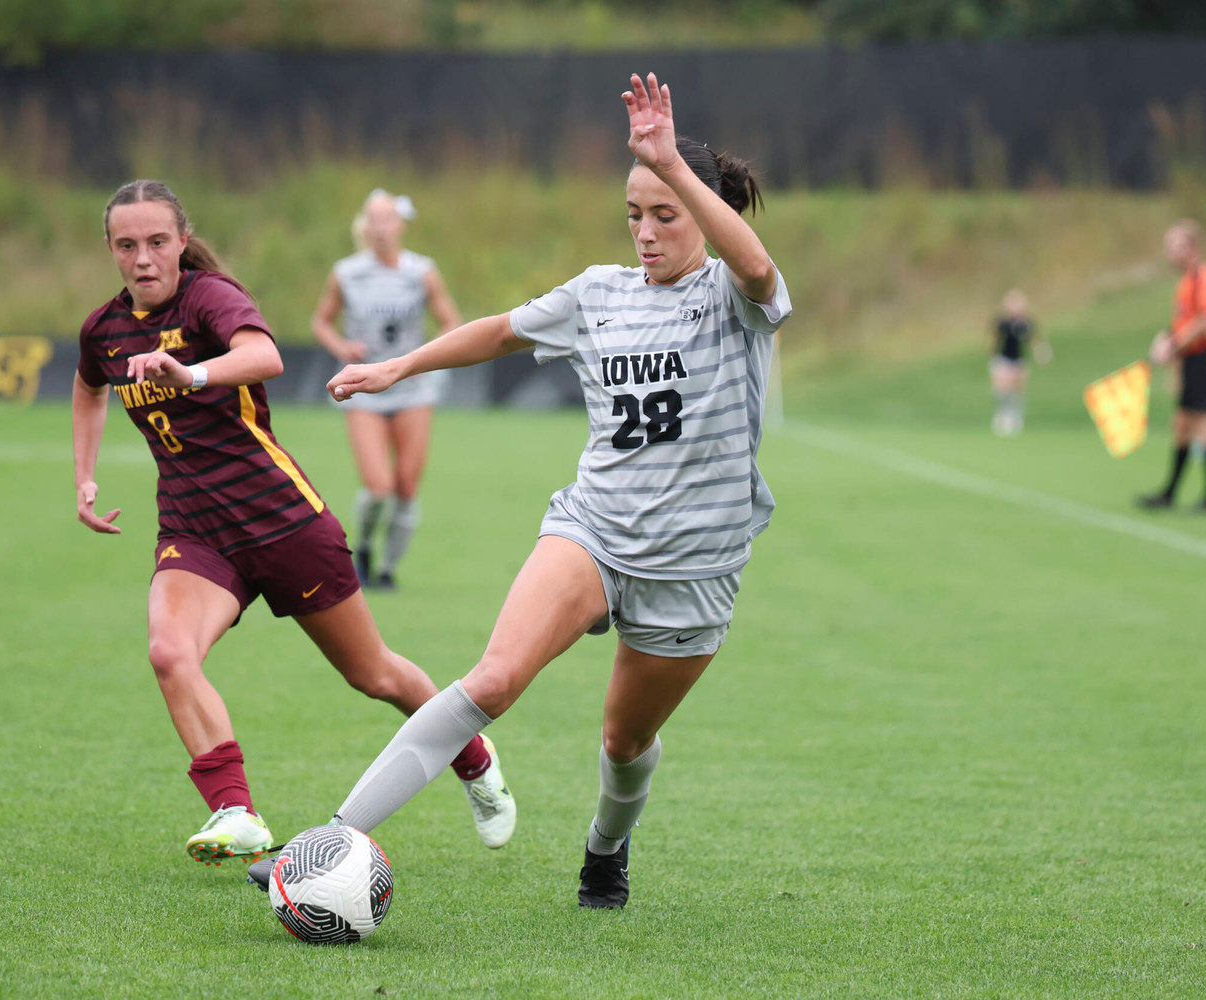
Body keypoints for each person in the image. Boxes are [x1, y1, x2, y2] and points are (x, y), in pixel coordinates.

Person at [252, 72, 792, 909]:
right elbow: (500, 329)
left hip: (694, 565)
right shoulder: (599, 294)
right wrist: (402, 363)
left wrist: (672, 165)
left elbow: (754, 263)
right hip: (594, 529)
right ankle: (326, 840)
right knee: (495, 680)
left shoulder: (732, 297)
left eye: (665, 215)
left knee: (625, 740)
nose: (645, 234)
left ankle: (605, 848)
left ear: (699, 207)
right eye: (633, 215)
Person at [72, 179, 515, 866]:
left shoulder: (210, 297)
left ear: (182, 242)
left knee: (376, 676)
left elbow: (265, 356)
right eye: (127, 245)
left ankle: (475, 760)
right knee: (169, 652)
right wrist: (86, 475)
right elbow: (89, 385)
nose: (143, 258)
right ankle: (235, 809)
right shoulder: (104, 328)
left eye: (158, 242)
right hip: (193, 531)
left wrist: (187, 374)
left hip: (282, 520)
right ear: (110, 249)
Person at [311, 190, 462, 589]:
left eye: (387, 219)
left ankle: (388, 570)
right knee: (379, 487)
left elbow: (452, 323)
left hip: (412, 388)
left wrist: (419, 359)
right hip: (362, 389)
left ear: (400, 225)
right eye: (373, 220)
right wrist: (343, 347)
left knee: (407, 487)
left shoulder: (421, 271)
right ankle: (362, 549)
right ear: (365, 225)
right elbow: (321, 322)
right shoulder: (346, 273)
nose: (380, 227)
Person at [1138, 221, 1206, 513]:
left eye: (1173, 246)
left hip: (1204, 359)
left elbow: (1203, 322)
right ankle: (1170, 492)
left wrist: (1172, 346)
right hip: (1190, 360)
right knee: (1183, 426)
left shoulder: (1204, 277)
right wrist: (1167, 340)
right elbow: (1184, 322)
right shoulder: (1186, 280)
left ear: (1191, 248)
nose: (1169, 253)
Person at [987, 289, 1049, 436]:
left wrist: (1041, 353)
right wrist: (992, 356)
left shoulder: (1026, 324)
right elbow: (994, 339)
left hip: (1019, 359)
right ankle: (1002, 416)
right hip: (1003, 358)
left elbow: (1035, 340)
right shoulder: (1002, 322)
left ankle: (1015, 418)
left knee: (1017, 389)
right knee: (1002, 388)